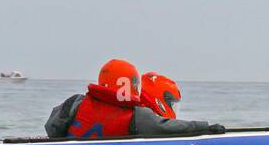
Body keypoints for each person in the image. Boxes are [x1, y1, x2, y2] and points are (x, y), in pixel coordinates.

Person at [45, 60, 224, 139]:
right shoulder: (137, 115)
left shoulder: (76, 102)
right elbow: (169, 127)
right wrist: (205, 127)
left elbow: (51, 129)